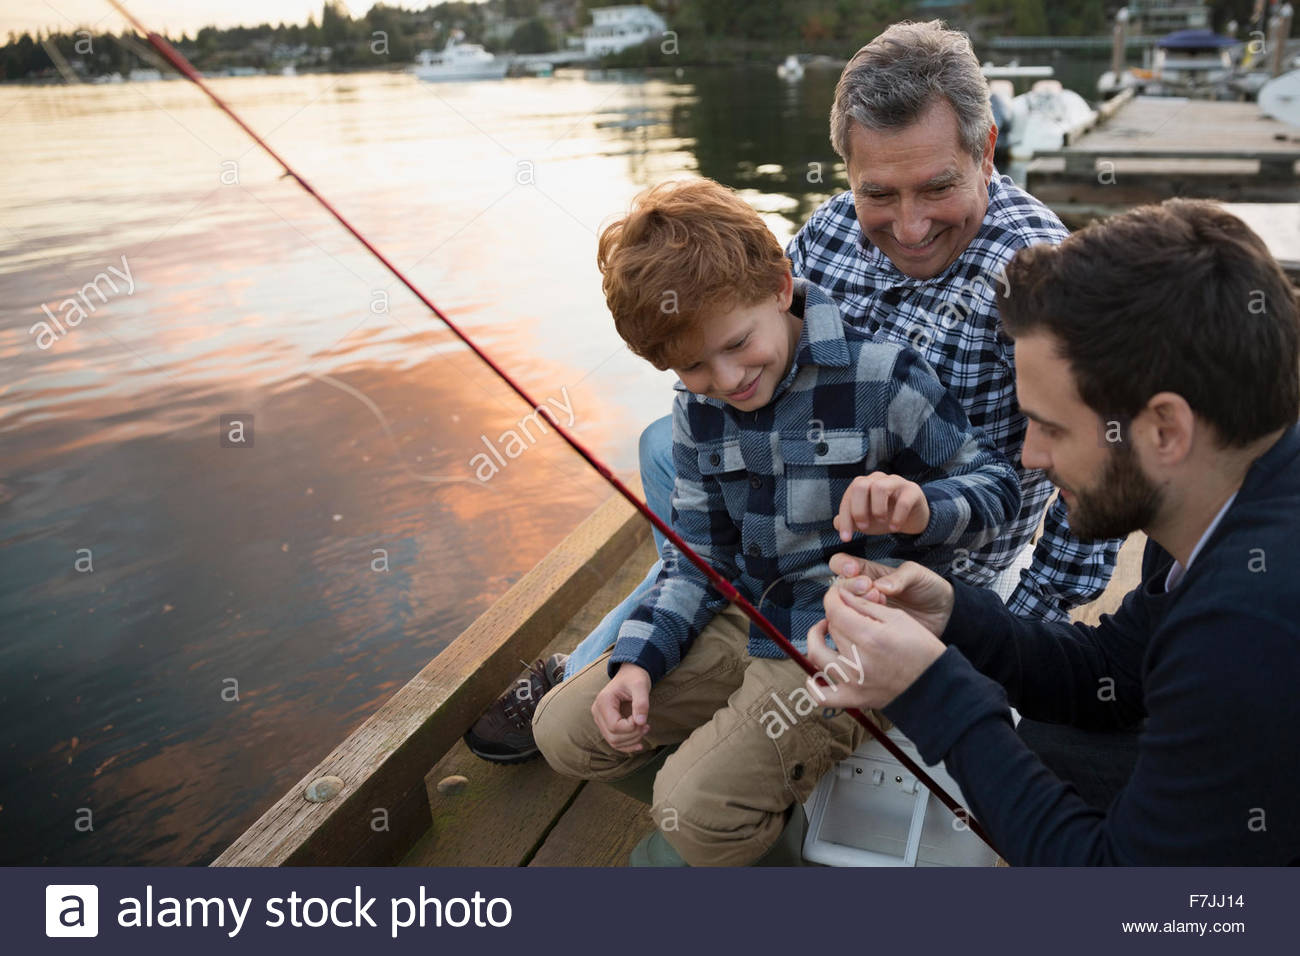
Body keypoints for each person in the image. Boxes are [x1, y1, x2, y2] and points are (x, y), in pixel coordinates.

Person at [465, 18, 1121, 764]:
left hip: (939, 554)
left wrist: (1008, 641)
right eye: (879, 193)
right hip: (799, 512)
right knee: (668, 450)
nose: (909, 227)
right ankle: (620, 656)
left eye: (937, 186)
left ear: (987, 150)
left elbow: (1095, 490)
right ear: (846, 172)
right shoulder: (827, 231)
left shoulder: (1045, 277)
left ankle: (628, 658)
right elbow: (737, 339)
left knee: (692, 508)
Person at [531, 177, 1021, 866]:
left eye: (736, 343)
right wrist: (640, 661)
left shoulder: (882, 376)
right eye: (693, 365)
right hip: (748, 622)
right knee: (561, 729)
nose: (727, 379)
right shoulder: (696, 411)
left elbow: (998, 490)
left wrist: (922, 508)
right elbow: (692, 562)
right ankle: (752, 807)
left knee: (687, 802)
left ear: (782, 284)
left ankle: (731, 818)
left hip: (850, 645)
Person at [808, 199, 1300, 865]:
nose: (1031, 456)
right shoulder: (1222, 492)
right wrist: (953, 617)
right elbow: (1116, 674)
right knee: (1046, 745)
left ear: (1164, 430)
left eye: (1052, 427)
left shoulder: (1250, 623)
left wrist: (926, 689)